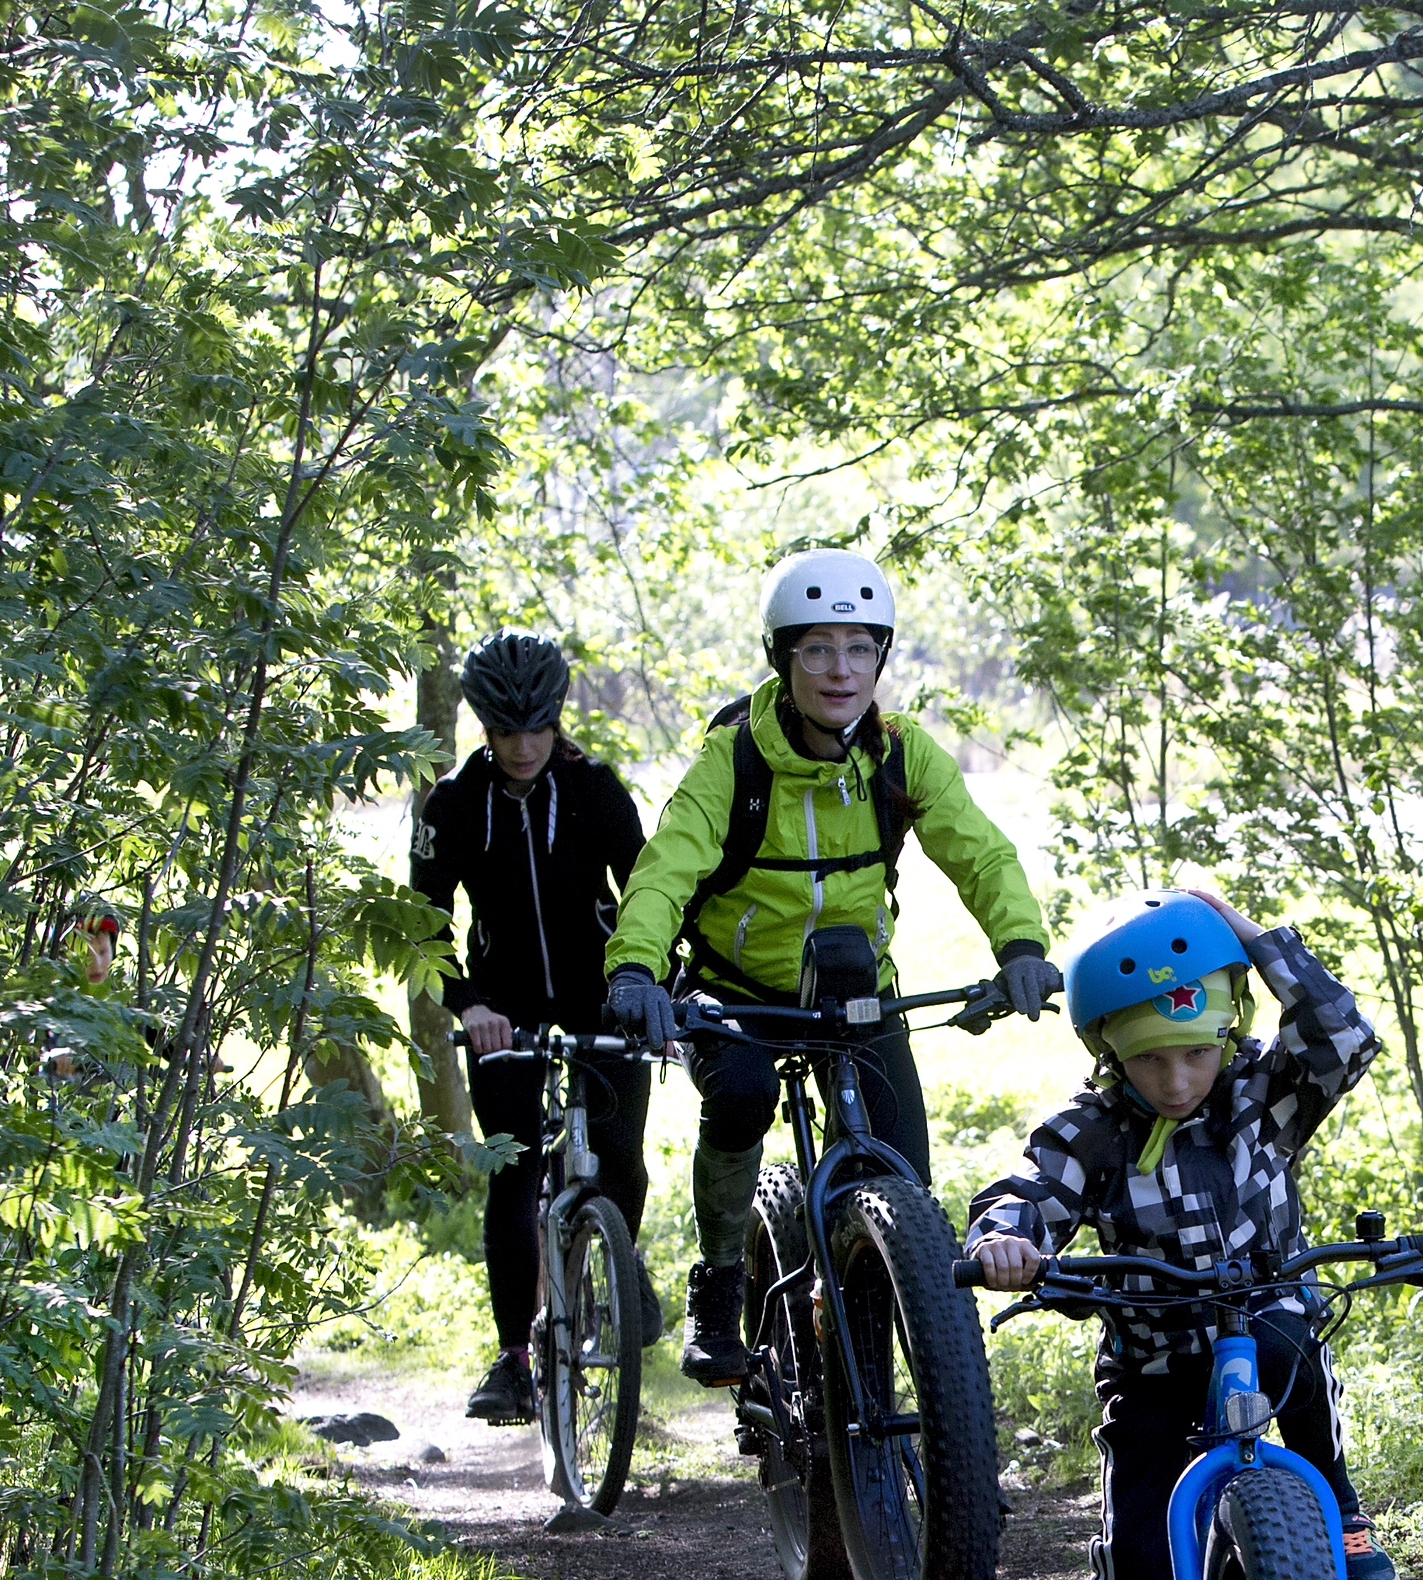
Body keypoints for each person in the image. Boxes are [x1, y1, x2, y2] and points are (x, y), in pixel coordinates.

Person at [957, 883, 1398, 1580]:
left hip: (1259, 1329)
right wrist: (1006, 1243)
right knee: (1137, 1564)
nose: (1178, 1076)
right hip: (1154, 1371)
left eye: (1196, 1050)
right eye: (1151, 1056)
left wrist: (1244, 932)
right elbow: (1027, 1194)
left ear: (1230, 1025)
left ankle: (1344, 1511)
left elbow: (1343, 1030)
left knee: (1295, 1335)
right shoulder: (1097, 1129)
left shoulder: (1260, 1094)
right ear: (1111, 1048)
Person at [600, 549, 1063, 1382]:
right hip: (735, 995)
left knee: (909, 1193)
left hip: (856, 996)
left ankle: (935, 1421)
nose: (839, 670)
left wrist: (1020, 947)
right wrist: (635, 969)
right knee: (739, 1099)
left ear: (881, 657)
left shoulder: (901, 754)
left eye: (858, 648)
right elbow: (664, 869)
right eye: (817, 648)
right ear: (784, 658)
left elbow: (981, 854)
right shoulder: (732, 762)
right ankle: (719, 1284)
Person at [413, 631, 650, 1426]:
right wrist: (466, 1003)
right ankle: (514, 1357)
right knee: (514, 1174)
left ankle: (616, 1270)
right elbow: (420, 922)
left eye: (536, 729)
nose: (522, 747)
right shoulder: (452, 804)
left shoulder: (596, 791)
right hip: (500, 1014)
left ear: (556, 720)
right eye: (506, 731)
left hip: (602, 1001)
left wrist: (653, 992)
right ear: (484, 725)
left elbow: (653, 894)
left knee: (622, 1158)